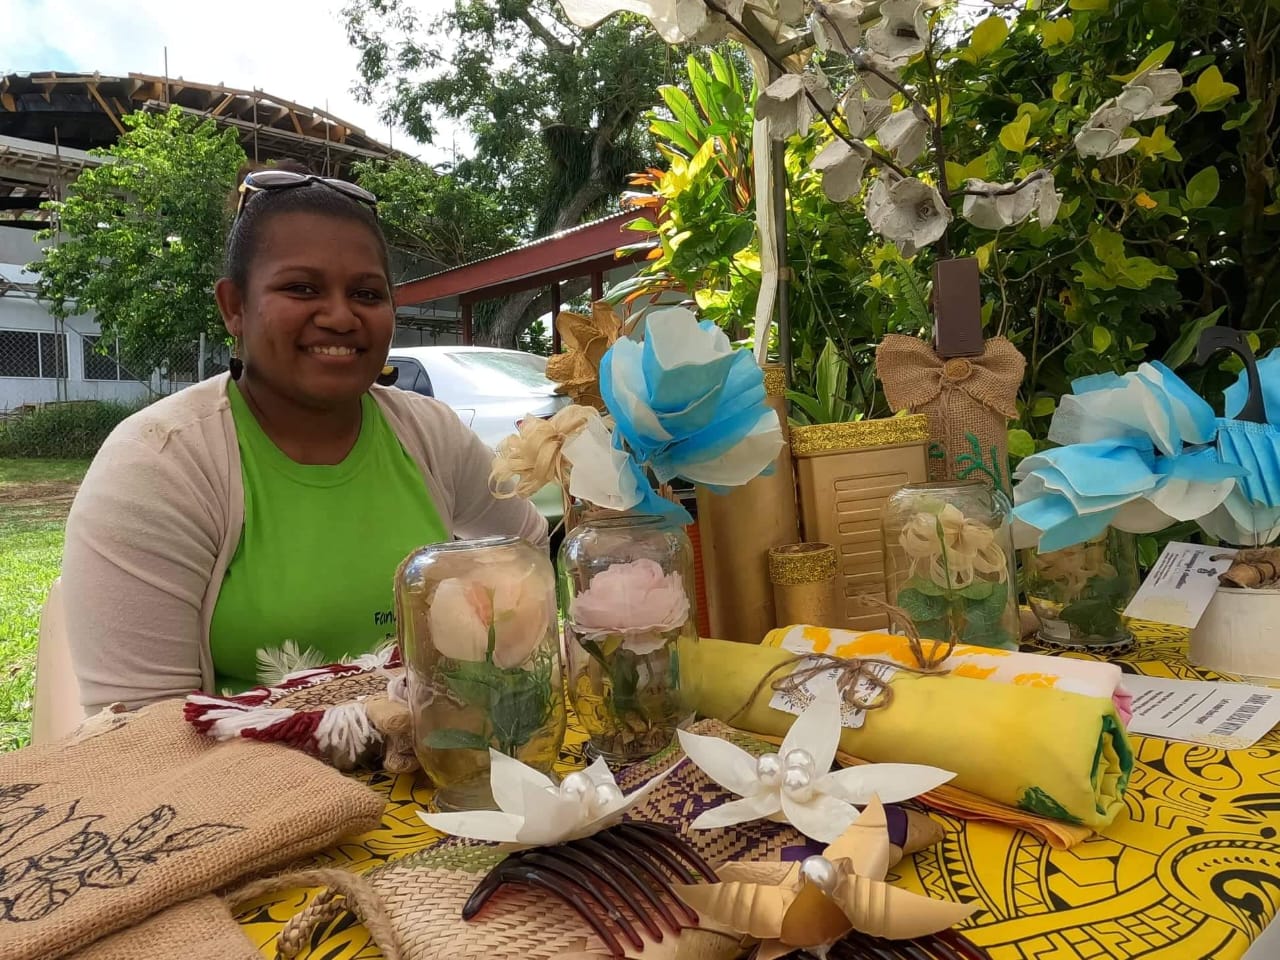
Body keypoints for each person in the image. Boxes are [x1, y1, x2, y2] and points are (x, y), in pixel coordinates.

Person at [62, 162, 546, 714]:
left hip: (434, 765)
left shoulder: (429, 433)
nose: (341, 317)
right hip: (253, 787)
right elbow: (141, 727)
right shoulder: (159, 466)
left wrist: (485, 652)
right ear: (233, 308)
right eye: (301, 288)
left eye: (366, 294)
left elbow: (525, 546)